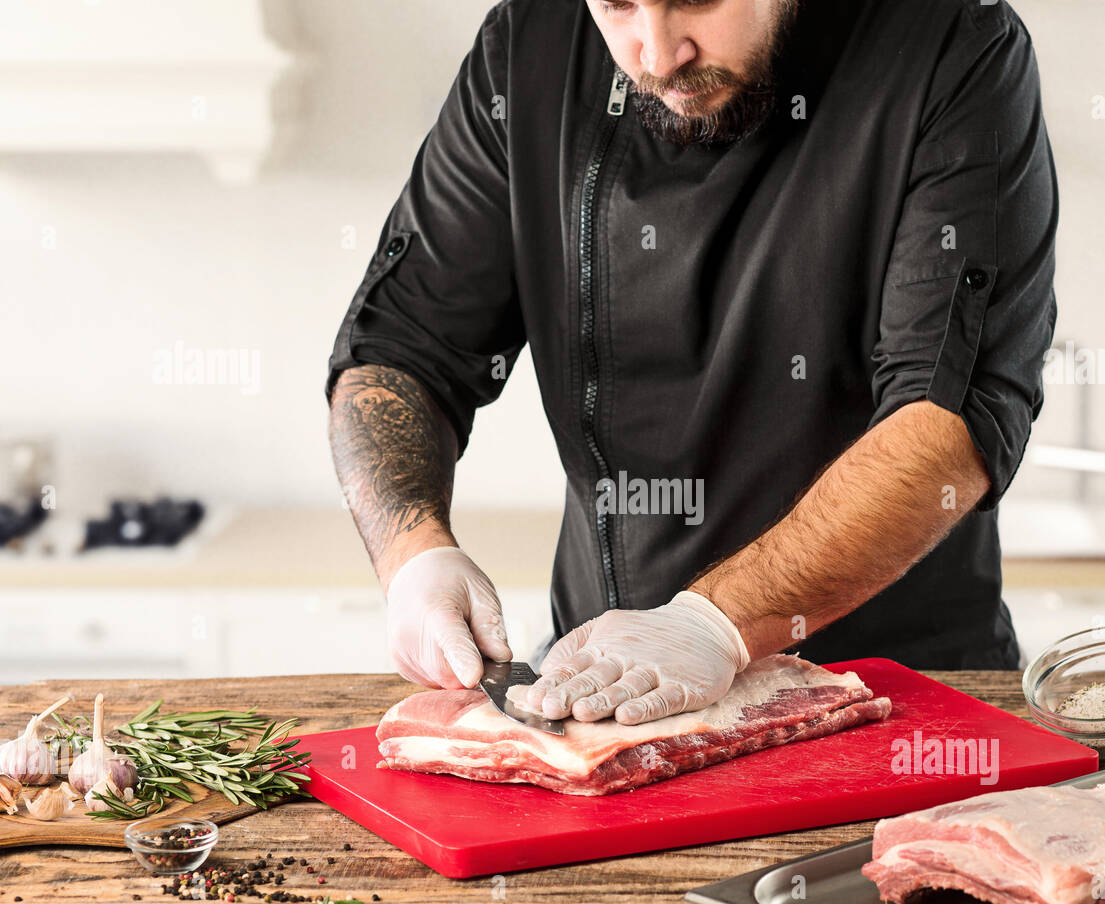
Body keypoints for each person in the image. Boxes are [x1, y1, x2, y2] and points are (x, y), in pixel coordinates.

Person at [327, 0, 1059, 727]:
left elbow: (946, 419)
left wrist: (716, 622)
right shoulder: (529, 46)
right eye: (617, 6)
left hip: (902, 705)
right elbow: (400, 347)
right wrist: (413, 551)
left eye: (696, 0)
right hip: (605, 706)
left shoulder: (951, 46)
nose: (655, 52)